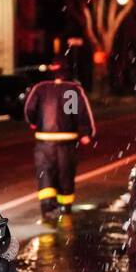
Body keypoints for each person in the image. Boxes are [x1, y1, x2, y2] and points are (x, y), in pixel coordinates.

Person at [23, 66, 97, 219]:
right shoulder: (73, 90)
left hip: (44, 143)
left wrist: (34, 122)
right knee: (65, 174)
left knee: (45, 174)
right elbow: (80, 113)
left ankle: (48, 208)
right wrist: (86, 133)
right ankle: (65, 207)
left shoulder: (40, 88)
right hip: (67, 143)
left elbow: (29, 110)